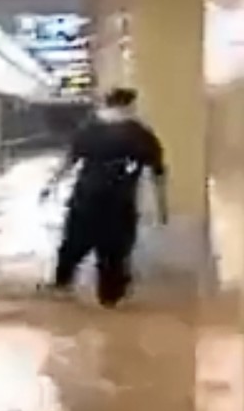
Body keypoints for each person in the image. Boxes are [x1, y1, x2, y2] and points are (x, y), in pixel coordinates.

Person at [39, 87, 168, 307]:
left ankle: (61, 285)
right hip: (120, 202)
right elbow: (158, 173)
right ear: (129, 106)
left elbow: (68, 162)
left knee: (72, 245)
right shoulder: (141, 134)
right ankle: (110, 298)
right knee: (114, 252)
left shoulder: (89, 130)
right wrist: (161, 207)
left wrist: (50, 186)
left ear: (108, 105)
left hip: (86, 197)